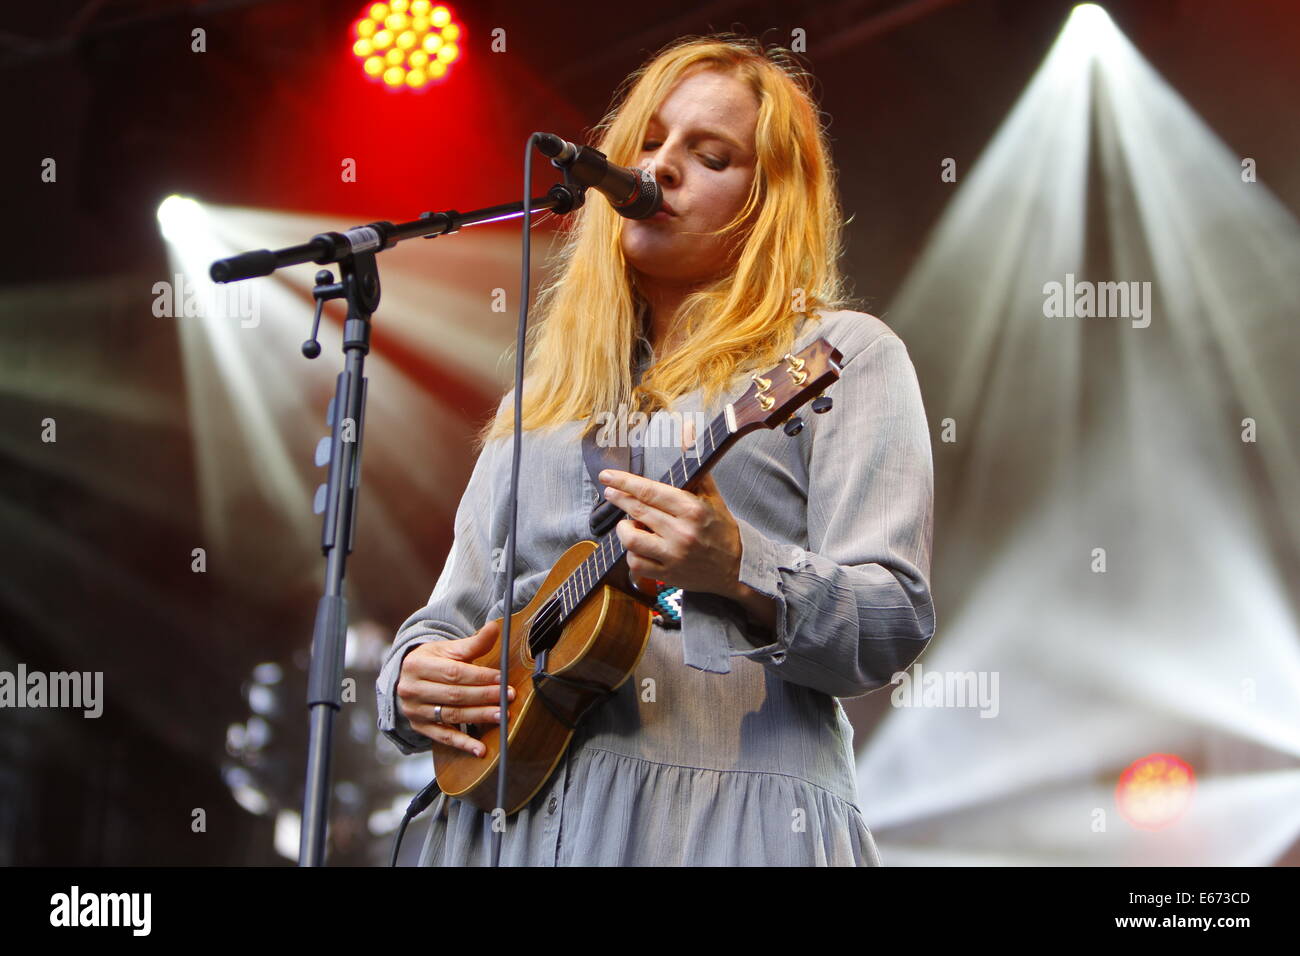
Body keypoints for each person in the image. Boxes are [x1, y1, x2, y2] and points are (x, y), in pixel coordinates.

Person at [376, 33, 935, 866]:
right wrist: (411, 675)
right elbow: (452, 613)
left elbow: (893, 617)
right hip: (510, 827)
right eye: (649, 141)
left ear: (767, 201)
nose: (662, 168)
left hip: (729, 820)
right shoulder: (540, 404)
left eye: (711, 155)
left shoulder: (842, 353)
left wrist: (739, 563)